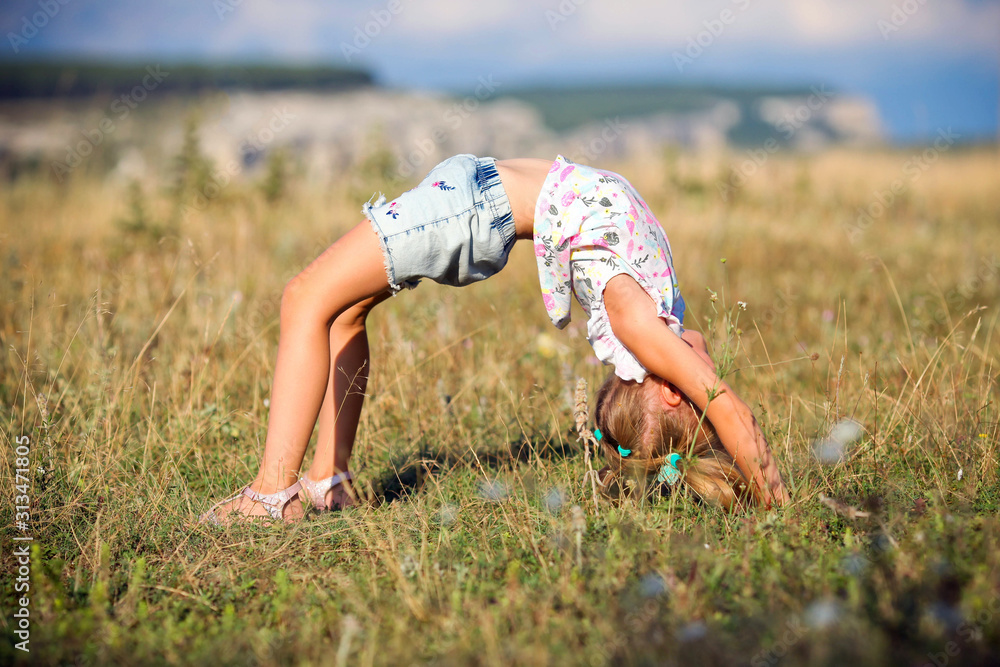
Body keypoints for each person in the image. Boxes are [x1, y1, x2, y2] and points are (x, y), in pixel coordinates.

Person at [200, 154, 789, 525]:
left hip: (467, 210)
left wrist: (779, 506)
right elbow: (714, 390)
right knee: (344, 314)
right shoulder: (659, 310)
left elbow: (729, 410)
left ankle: (271, 494)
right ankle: (330, 482)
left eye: (698, 383)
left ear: (672, 392)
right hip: (471, 199)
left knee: (303, 298)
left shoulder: (638, 325)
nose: (710, 368)